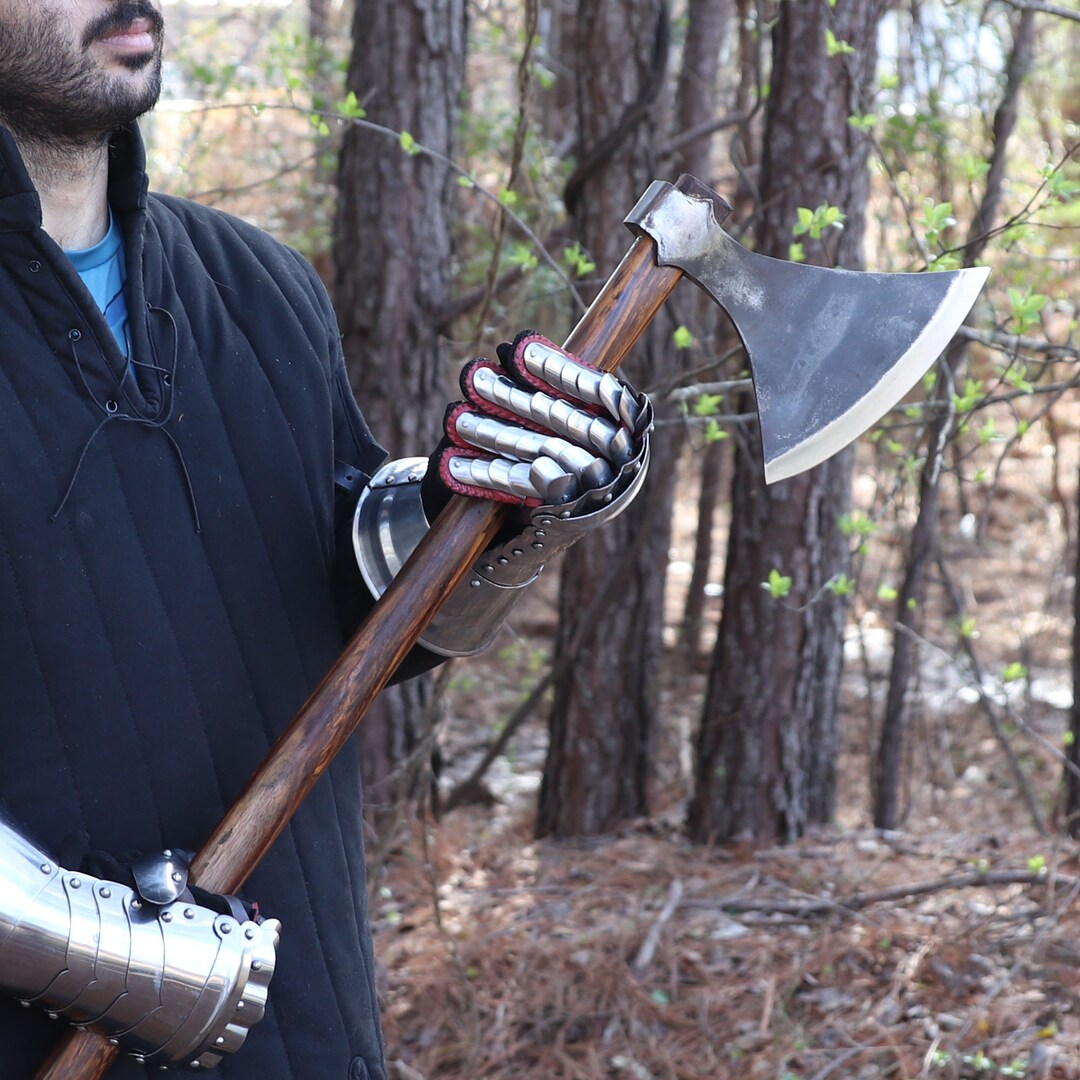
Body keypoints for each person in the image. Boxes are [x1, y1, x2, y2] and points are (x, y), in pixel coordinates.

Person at [0, 2, 651, 1077]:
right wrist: (88, 949)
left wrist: (510, 515)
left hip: (314, 1038)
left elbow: (360, 600)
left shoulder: (262, 288)